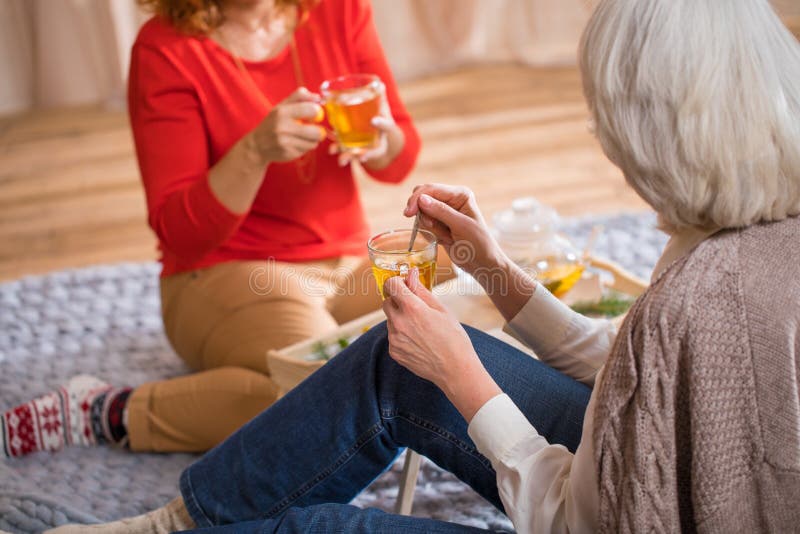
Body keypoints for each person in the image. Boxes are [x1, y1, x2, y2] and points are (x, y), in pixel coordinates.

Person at [45, 0, 800, 531]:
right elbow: (625, 362)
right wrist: (492, 267)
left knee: (317, 473)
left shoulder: (686, 302)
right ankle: (177, 519)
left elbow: (575, 519)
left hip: (345, 272)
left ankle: (120, 418)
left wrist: (461, 374)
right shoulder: (723, 238)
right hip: (241, 267)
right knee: (373, 359)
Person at [0, 0, 455, 458]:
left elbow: (399, 158)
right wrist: (254, 152)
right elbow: (180, 231)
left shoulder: (340, 9)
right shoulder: (164, 49)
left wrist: (380, 141)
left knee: (470, 278)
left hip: (347, 265)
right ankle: (108, 410)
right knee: (326, 390)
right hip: (226, 272)